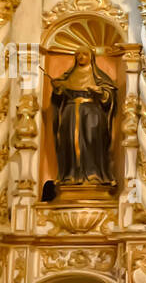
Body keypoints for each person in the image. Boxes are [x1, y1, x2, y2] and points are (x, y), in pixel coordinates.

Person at [50, 48, 119, 188]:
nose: (81, 57)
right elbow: (57, 99)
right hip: (70, 112)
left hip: (92, 113)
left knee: (92, 141)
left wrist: (101, 93)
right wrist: (58, 89)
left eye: (84, 54)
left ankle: (94, 174)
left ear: (91, 57)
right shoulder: (68, 76)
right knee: (69, 141)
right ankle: (70, 175)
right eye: (78, 55)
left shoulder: (99, 76)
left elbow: (109, 96)